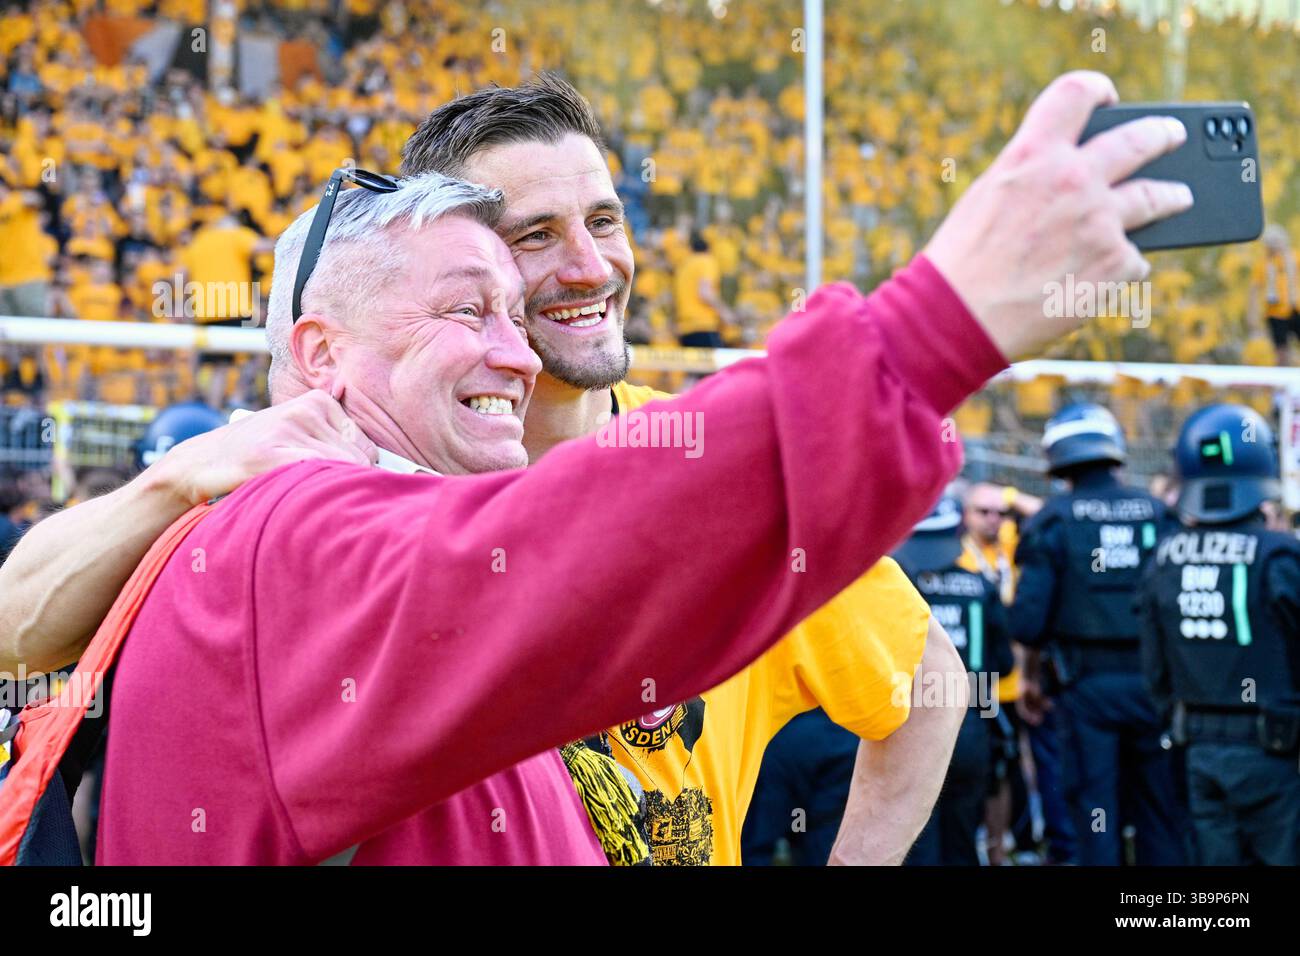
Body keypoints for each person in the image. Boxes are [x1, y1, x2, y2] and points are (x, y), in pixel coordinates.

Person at [0, 70, 1193, 863]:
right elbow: (570, 550)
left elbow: (925, 686)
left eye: (606, 220)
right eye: (508, 264)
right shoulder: (313, 520)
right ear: (324, 349)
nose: (578, 274)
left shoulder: (641, 447)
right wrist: (939, 322)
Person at [1011, 403, 1186, 865]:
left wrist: (1030, 675)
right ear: (1114, 449)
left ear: (1057, 456)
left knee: (1095, 813)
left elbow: (1027, 621)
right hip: (1157, 691)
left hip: (1084, 692)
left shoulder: (1051, 519)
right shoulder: (1158, 514)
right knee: (1160, 811)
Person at [1137, 404, 1300, 865]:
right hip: (1277, 755)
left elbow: (1154, 671)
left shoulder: (1163, 559)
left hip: (1199, 754)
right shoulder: (1282, 557)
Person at [895, 494, 1014, 865]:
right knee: (962, 840)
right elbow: (1004, 665)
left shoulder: (900, 589)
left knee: (918, 841)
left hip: (911, 727)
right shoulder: (981, 587)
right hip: (970, 725)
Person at [1247, 224, 1300, 365]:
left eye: (1278, 241)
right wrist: (1252, 312)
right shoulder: (1263, 264)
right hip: (1275, 311)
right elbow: (1254, 289)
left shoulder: (1294, 257)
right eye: (1273, 242)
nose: (1277, 245)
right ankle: (1282, 375)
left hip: (1296, 307)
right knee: (1280, 348)